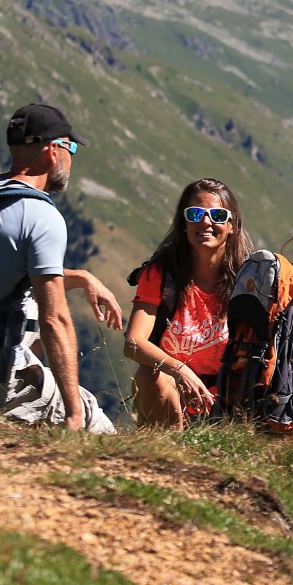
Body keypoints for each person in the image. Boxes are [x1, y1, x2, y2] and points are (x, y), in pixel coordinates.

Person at [0, 103, 123, 433]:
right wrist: (73, 412)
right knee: (98, 427)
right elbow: (55, 319)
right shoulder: (40, 215)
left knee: (27, 302)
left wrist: (81, 277)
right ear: (52, 150)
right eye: (70, 148)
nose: (71, 158)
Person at [123, 178, 252, 427]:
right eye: (195, 214)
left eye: (217, 215)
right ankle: (173, 446)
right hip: (171, 394)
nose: (206, 222)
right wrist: (179, 370)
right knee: (148, 375)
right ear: (184, 223)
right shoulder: (160, 275)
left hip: (228, 401)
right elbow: (133, 343)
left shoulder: (248, 279)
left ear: (232, 225)